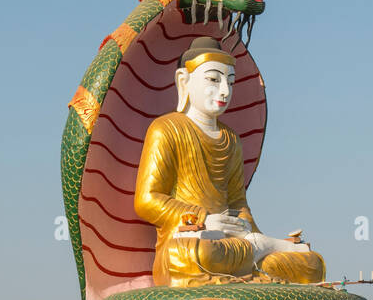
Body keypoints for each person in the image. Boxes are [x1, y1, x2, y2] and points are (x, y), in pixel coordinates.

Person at [134, 38, 325, 286]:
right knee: (200, 254)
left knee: (311, 263)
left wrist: (248, 230)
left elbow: (237, 202)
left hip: (233, 243)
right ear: (184, 80)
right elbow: (147, 199)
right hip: (191, 242)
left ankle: (258, 250)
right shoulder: (166, 129)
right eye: (214, 79)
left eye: (230, 82)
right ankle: (258, 252)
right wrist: (203, 219)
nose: (225, 91)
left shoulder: (231, 139)